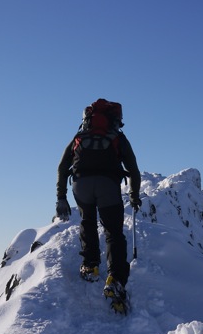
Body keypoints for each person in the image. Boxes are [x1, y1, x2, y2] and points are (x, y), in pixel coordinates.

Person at [55, 99, 141, 305]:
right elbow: (134, 170)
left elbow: (62, 166)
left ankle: (90, 265)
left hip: (81, 185)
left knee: (87, 221)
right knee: (113, 232)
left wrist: (61, 196)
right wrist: (134, 195)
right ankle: (115, 278)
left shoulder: (79, 137)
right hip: (108, 186)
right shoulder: (117, 138)